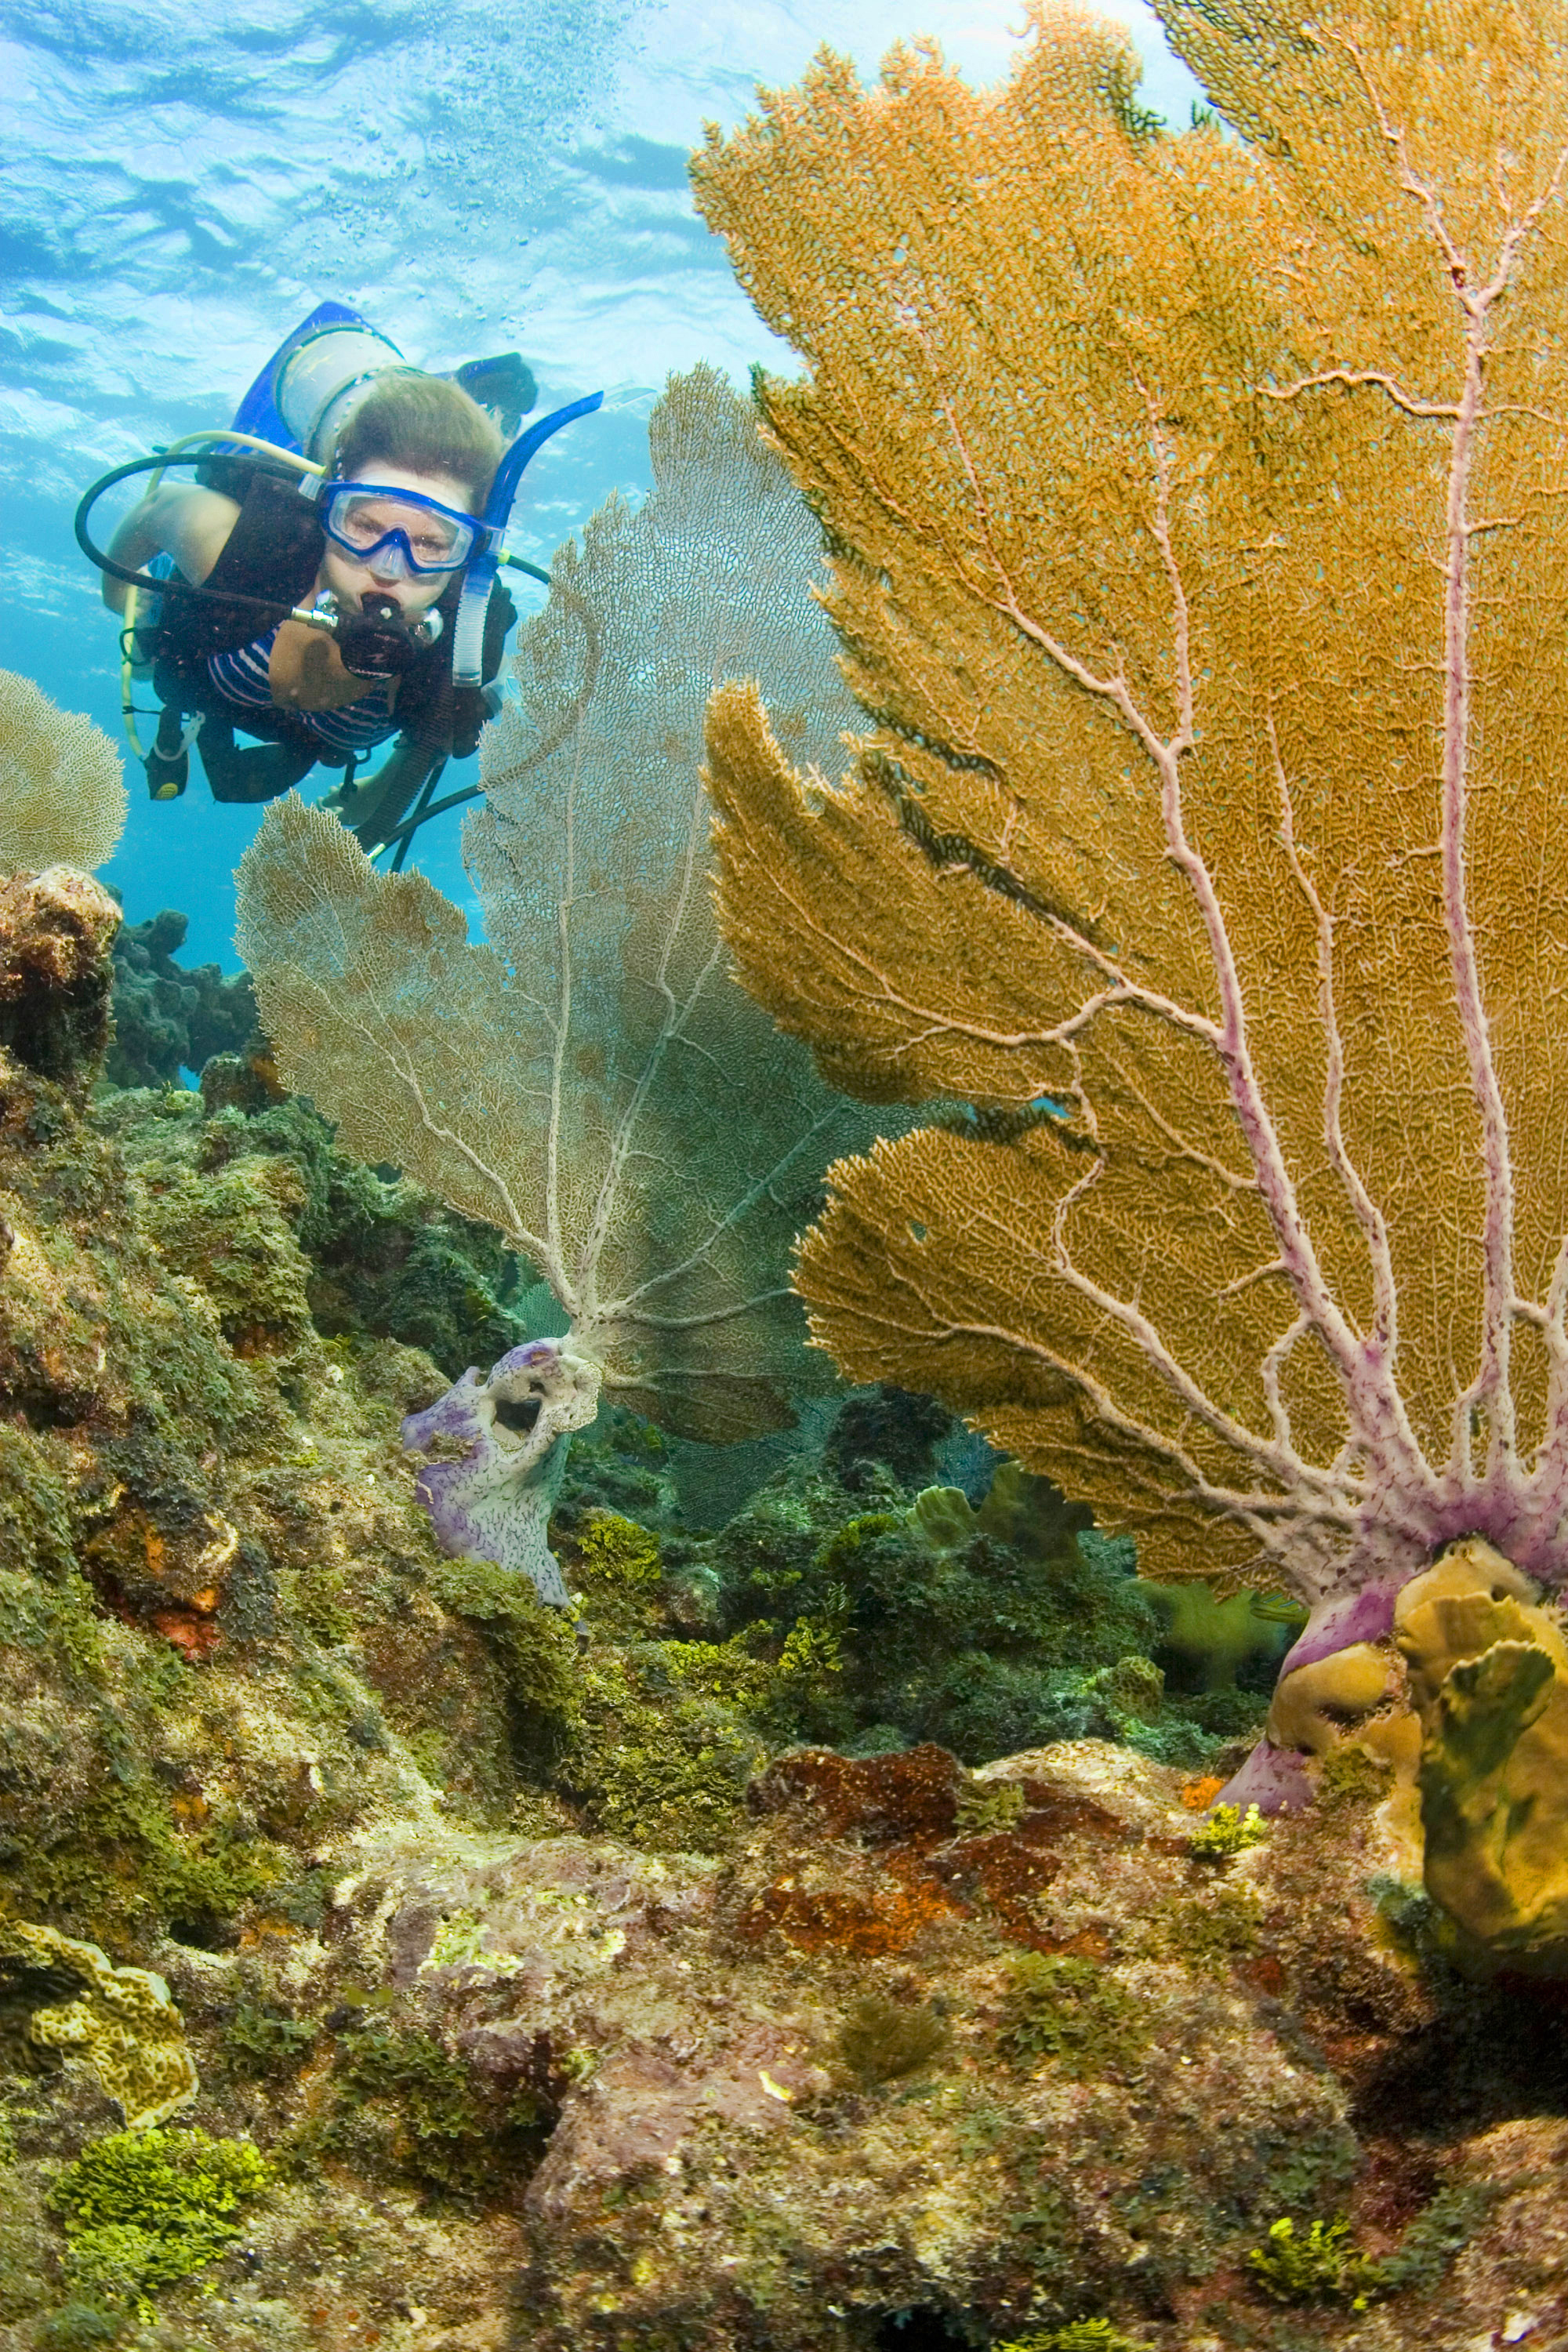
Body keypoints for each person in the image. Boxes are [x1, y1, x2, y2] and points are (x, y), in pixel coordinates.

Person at [101, 370, 517, 851]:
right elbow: (158, 505)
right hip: (199, 675)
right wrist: (123, 603)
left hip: (310, 744)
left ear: (467, 558)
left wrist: (377, 793)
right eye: (365, 525)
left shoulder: (461, 649)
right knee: (159, 668)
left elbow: (430, 740)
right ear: (326, 510)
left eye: (430, 543)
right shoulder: (249, 556)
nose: (387, 568)